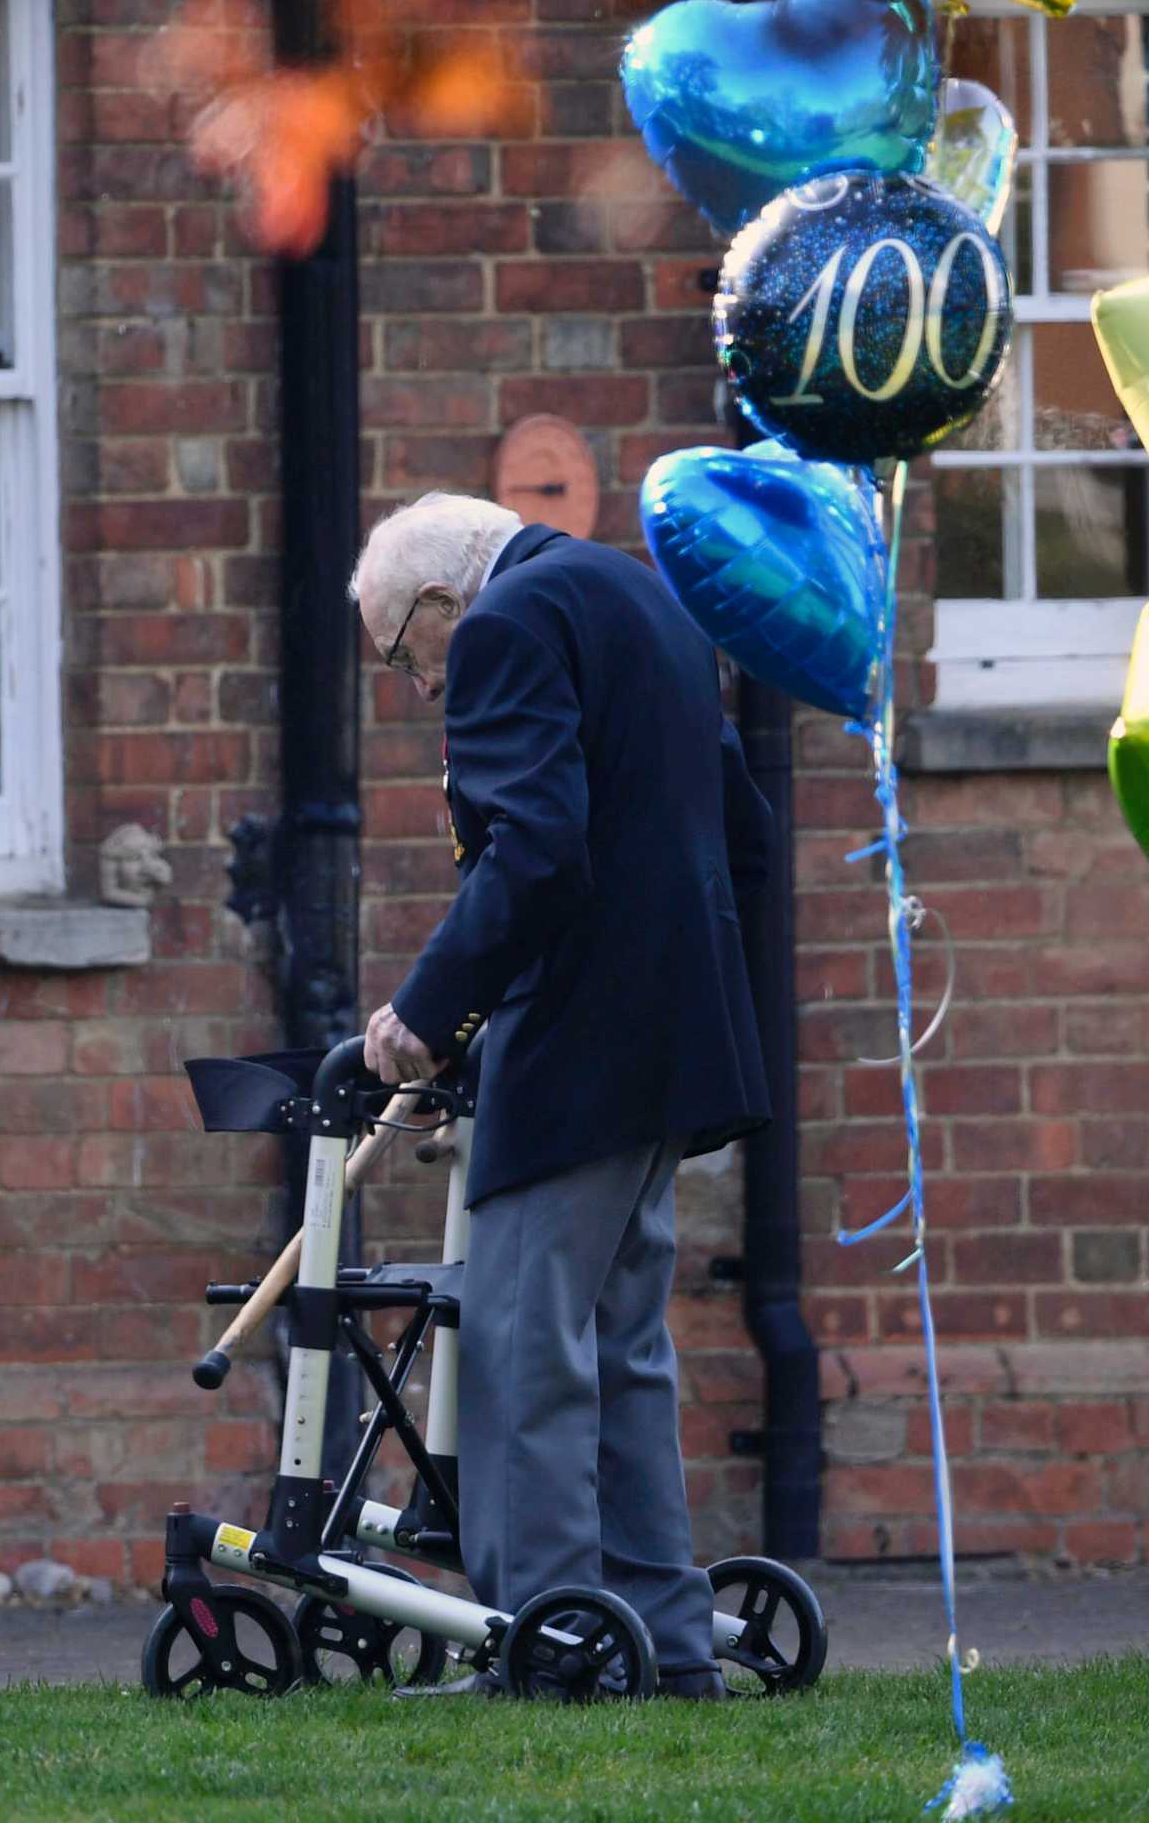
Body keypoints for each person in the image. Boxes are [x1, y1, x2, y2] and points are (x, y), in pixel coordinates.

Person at [351, 491, 775, 1700]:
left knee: (521, 1352)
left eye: (404, 658)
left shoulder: (504, 624)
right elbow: (743, 829)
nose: (422, 689)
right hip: (676, 1038)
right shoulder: (642, 593)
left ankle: (546, 1648)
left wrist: (426, 1014)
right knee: (626, 1351)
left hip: (582, 1045)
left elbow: (533, 850)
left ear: (441, 604)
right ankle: (663, 1643)